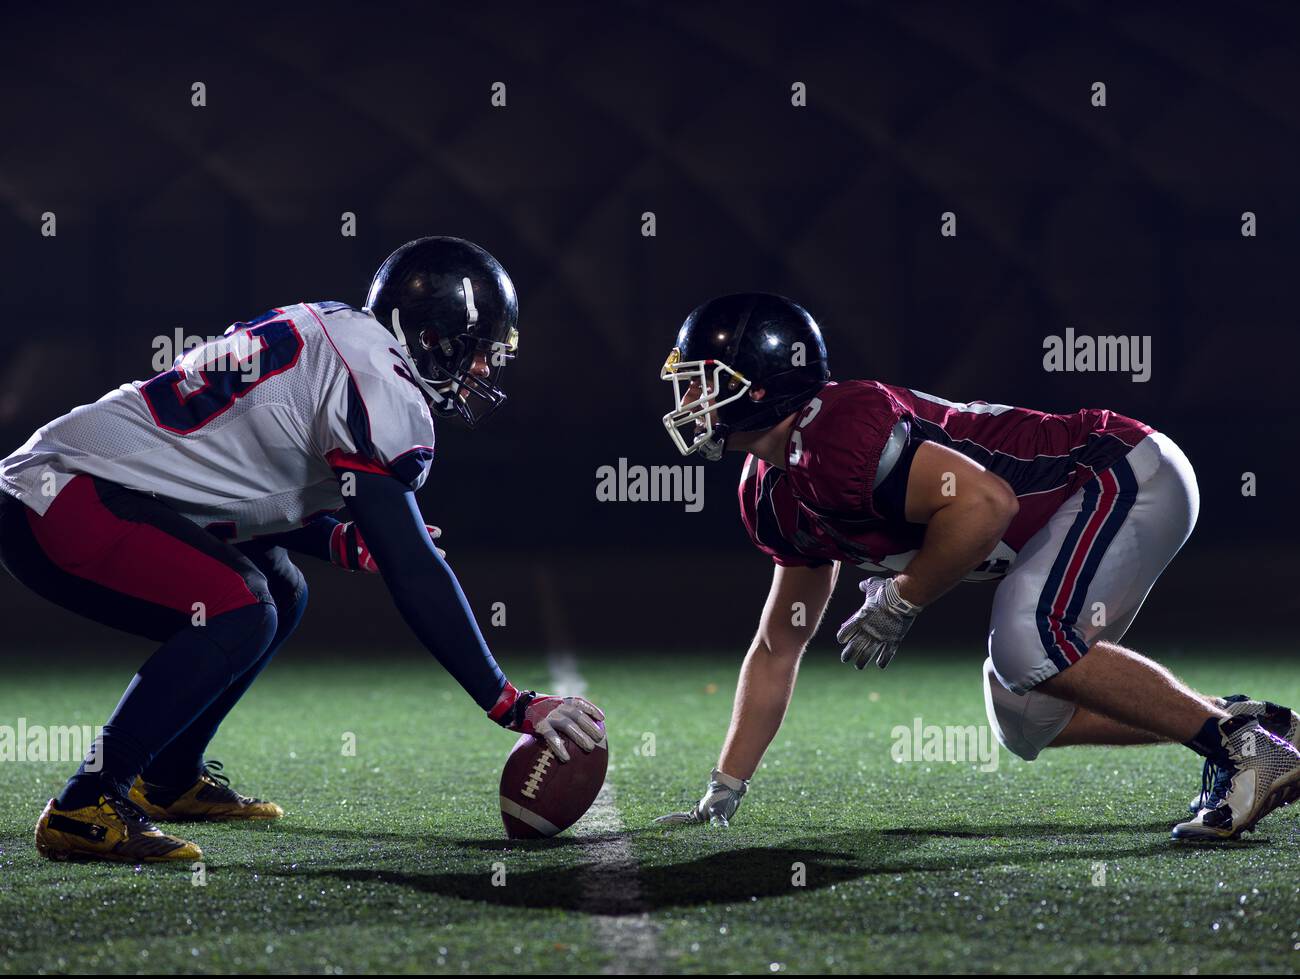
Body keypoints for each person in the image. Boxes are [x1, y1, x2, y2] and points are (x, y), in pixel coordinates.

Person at [0, 236, 604, 863]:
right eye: (473, 351)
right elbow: (413, 567)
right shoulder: (379, 381)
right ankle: (84, 805)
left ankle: (170, 778)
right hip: (64, 495)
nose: (481, 369)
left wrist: (343, 541)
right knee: (240, 605)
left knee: (280, 593)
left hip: (86, 486)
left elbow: (235, 483)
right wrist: (507, 701)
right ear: (425, 334)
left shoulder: (342, 334)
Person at [653, 292, 1298, 841]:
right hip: (1085, 504)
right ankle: (1258, 727)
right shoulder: (773, 490)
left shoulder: (838, 435)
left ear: (763, 384)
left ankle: (1240, 749)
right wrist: (727, 784)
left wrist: (903, 600)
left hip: (1121, 472)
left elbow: (986, 505)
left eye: (703, 381)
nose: (688, 397)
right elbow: (778, 644)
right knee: (1025, 717)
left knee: (1029, 644)